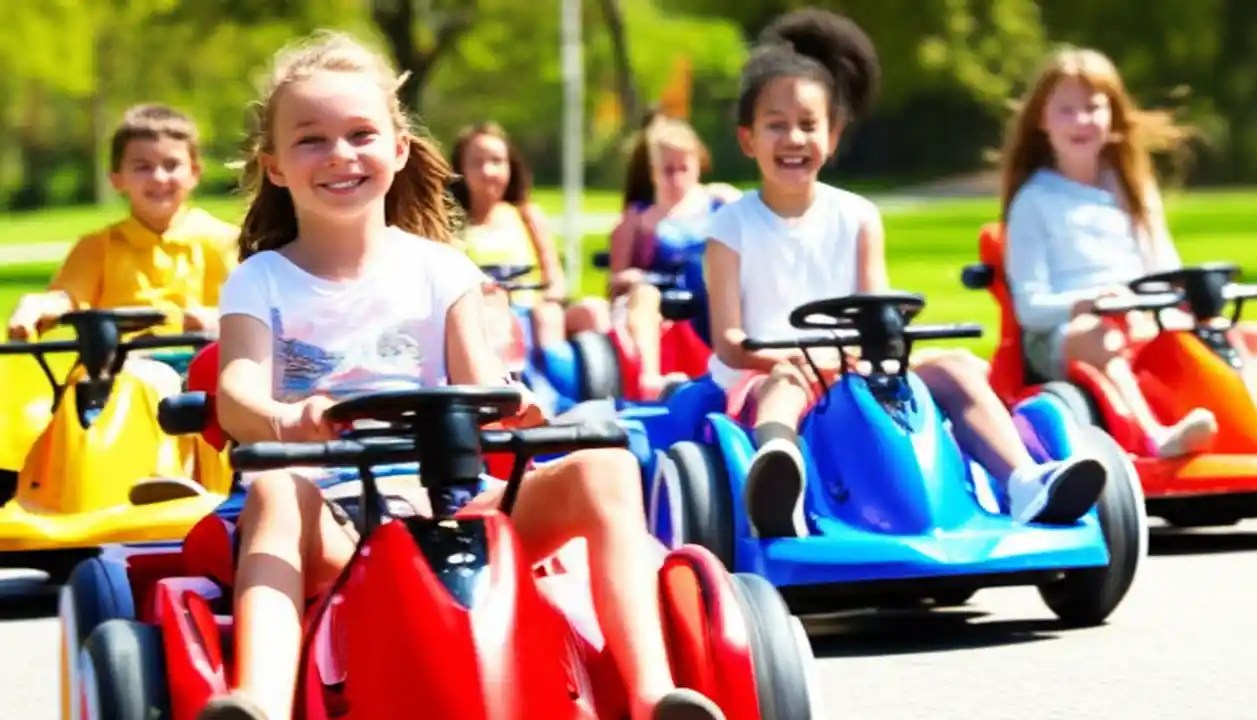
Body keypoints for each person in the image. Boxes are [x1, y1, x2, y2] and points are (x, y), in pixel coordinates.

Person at [196, 31, 724, 720]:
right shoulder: (259, 281)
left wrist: (519, 407)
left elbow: (486, 385)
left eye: (360, 134)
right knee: (274, 496)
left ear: (399, 148)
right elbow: (235, 393)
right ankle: (257, 702)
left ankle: (652, 691)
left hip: (456, 500)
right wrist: (284, 418)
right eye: (311, 140)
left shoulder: (442, 270)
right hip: (333, 517)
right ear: (274, 166)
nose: (340, 156)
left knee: (606, 469)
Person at [702, 9, 1107, 540]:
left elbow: (878, 312)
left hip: (851, 366)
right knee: (786, 385)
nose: (793, 138)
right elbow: (731, 343)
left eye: (807, 125)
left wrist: (860, 350)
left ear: (834, 135)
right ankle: (780, 476)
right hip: (768, 371)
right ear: (748, 139)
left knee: (958, 366)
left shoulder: (858, 217)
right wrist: (802, 357)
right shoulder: (730, 227)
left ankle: (1024, 480)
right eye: (776, 126)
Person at [1000, 47, 1257, 458]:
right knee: (1103, 336)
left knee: (1256, 340)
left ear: (1112, 115)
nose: (1081, 120)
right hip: (1065, 334)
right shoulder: (1033, 202)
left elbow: (1165, 268)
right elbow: (1030, 308)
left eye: (1093, 107)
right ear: (1041, 120)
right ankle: (1154, 437)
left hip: (1142, 315)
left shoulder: (1131, 189)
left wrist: (1184, 302)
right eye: (1066, 110)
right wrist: (1089, 302)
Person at [7, 104, 238, 344]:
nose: (159, 177)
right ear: (116, 179)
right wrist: (35, 307)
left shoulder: (226, 242)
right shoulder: (98, 247)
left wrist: (217, 321)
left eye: (171, 165)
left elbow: (261, 313)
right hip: (122, 369)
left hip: (204, 367)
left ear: (195, 173)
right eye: (143, 167)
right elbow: (66, 298)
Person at [608, 114, 741, 399]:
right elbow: (615, 279)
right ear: (653, 170)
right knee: (644, 294)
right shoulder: (638, 218)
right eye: (668, 170)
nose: (677, 178)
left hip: (712, 290)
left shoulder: (720, 202)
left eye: (684, 168)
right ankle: (650, 378)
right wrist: (631, 277)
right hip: (659, 298)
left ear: (698, 165)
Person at [451, 122, 609, 349]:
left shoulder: (527, 217)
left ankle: (572, 378)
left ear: (510, 167)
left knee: (587, 311)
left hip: (533, 312)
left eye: (497, 161)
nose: (488, 172)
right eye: (477, 163)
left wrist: (547, 300)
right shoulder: (452, 225)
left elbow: (555, 280)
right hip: (483, 315)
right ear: (461, 170)